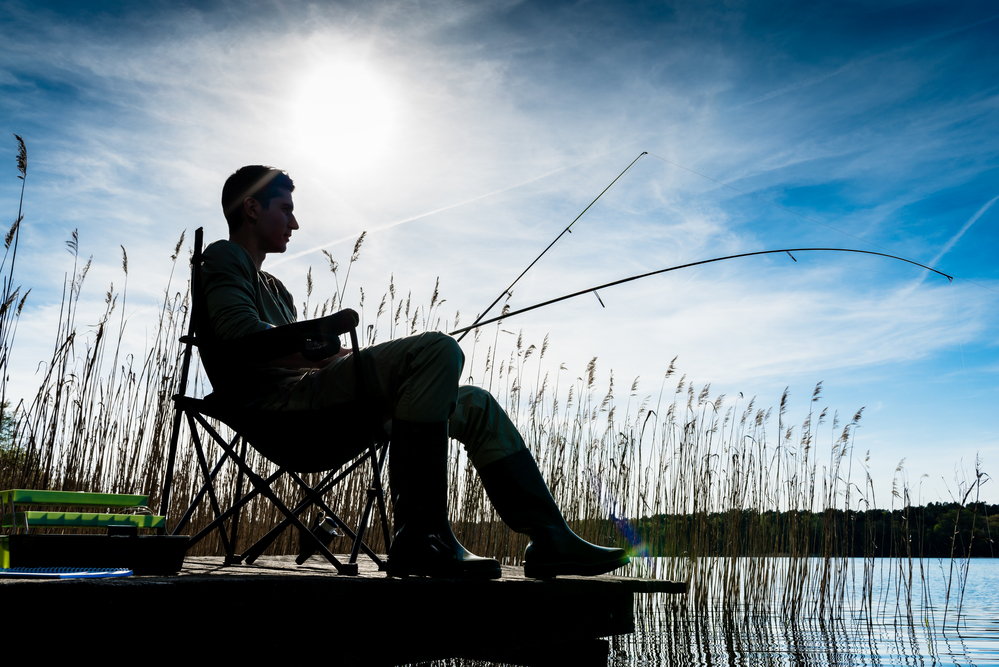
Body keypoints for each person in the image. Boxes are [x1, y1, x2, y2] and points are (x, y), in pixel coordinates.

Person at [198, 165, 629, 579]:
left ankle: (551, 539)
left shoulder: (277, 289)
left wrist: (333, 353)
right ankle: (421, 537)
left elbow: (295, 351)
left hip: (320, 401)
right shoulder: (223, 257)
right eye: (286, 209)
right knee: (436, 350)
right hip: (281, 413)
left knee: (475, 404)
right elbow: (242, 340)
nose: (294, 222)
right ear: (252, 209)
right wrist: (316, 345)